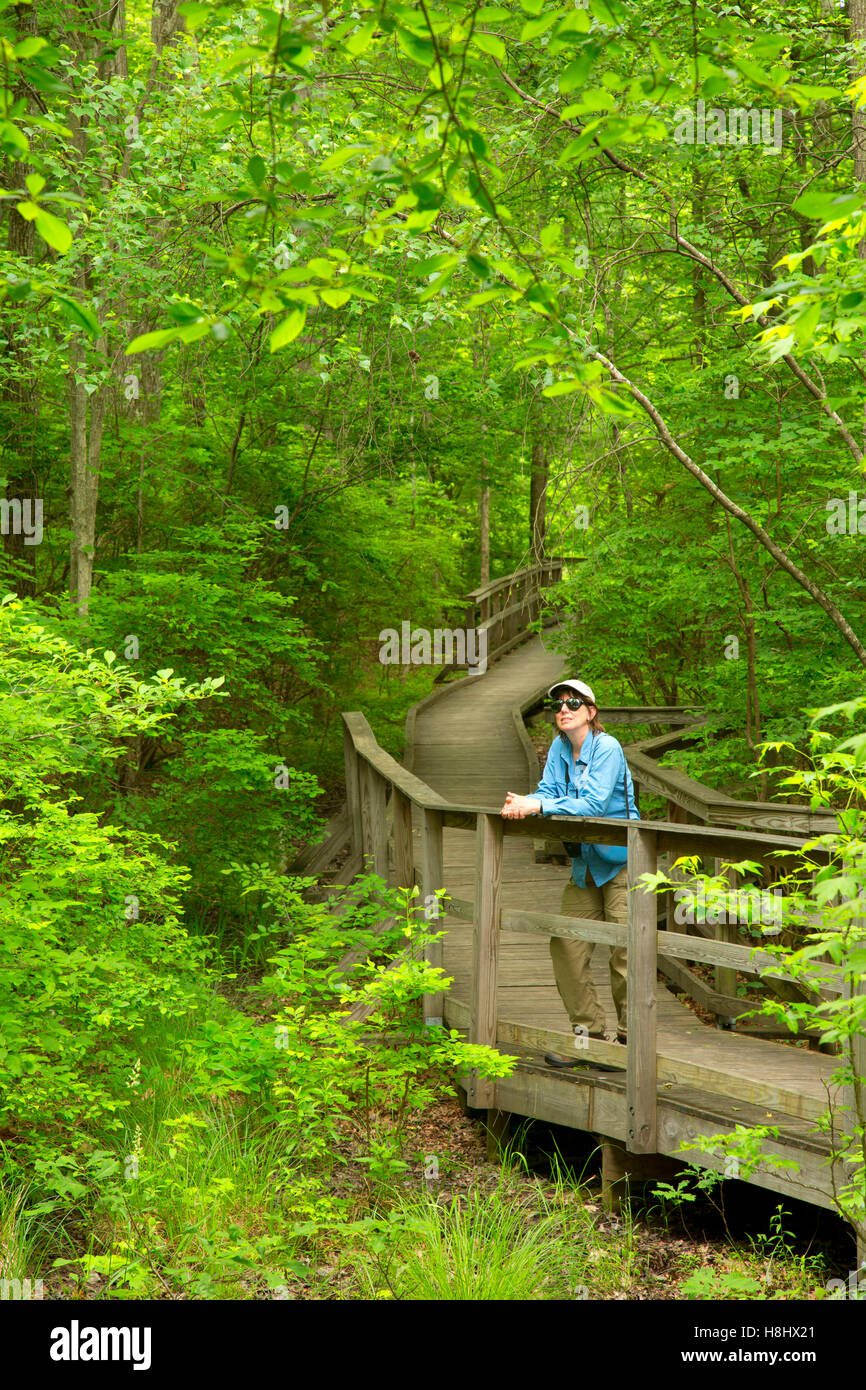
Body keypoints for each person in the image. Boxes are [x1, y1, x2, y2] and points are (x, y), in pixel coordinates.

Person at [500, 678, 638, 1067]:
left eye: (573, 703)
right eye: (558, 704)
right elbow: (545, 791)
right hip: (585, 866)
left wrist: (538, 806)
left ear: (591, 712)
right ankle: (588, 1037)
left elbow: (593, 802)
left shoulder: (607, 747)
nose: (564, 709)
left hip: (623, 860)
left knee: (625, 954)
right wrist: (525, 802)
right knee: (567, 945)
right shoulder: (559, 749)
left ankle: (629, 1044)